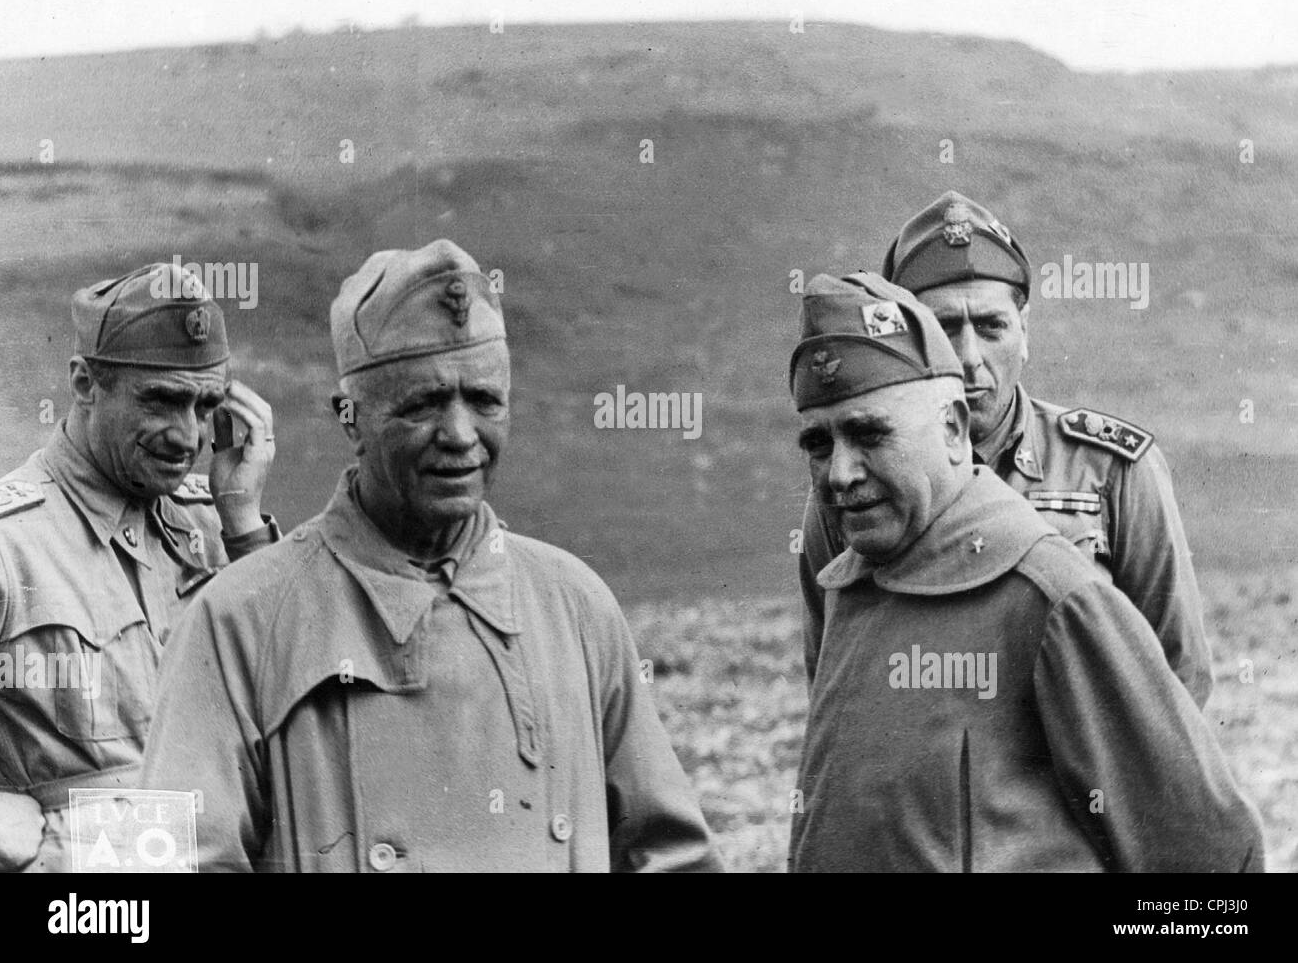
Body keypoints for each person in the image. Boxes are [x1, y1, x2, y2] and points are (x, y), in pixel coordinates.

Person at [141, 239, 724, 872]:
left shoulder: (575, 605)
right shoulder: (239, 620)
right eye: (421, 405)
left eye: (484, 400)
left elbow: (673, 858)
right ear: (350, 417)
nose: (460, 436)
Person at [787, 270, 1263, 871]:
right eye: (818, 445)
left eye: (869, 435)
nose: (840, 474)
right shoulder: (845, 585)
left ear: (954, 430)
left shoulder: (1052, 597)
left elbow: (1209, 862)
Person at [799, 192, 1212, 706]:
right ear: (909, 351)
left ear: (1024, 334)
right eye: (946, 328)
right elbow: (833, 683)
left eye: (992, 326)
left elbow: (1178, 672)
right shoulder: (855, 488)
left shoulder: (1112, 469)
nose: (970, 358)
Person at [0, 263, 278, 872]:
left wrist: (244, 525)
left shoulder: (219, 527)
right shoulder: (9, 547)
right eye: (162, 400)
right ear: (84, 383)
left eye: (206, 407)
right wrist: (47, 845)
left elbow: (300, 734)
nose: (188, 436)